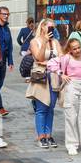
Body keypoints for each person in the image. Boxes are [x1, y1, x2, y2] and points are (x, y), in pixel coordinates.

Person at [48, 33, 81, 155]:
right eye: (74, 48)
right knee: (71, 115)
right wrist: (61, 73)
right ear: (70, 49)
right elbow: (51, 64)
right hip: (71, 86)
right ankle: (71, 144)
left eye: (78, 47)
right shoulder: (66, 58)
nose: (77, 50)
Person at [27, 18, 61, 148]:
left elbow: (62, 58)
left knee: (51, 107)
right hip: (41, 76)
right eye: (50, 27)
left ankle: (48, 134)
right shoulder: (34, 41)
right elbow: (39, 58)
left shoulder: (56, 42)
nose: (52, 30)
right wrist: (45, 41)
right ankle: (41, 136)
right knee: (41, 108)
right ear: (43, 27)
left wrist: (50, 62)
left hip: (54, 76)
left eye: (54, 27)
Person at [0, 6, 14, 116]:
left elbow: (10, 45)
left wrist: (10, 61)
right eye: (4, 14)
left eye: (7, 14)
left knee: (0, 83)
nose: (6, 16)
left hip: (3, 59)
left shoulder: (7, 28)